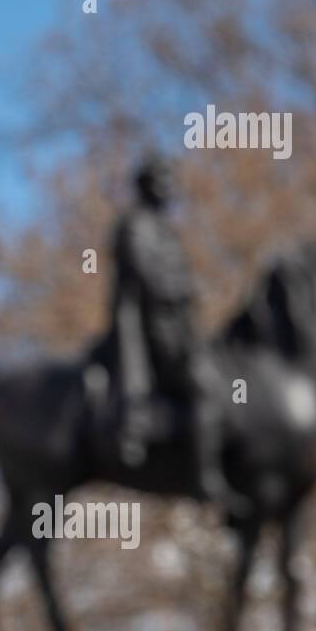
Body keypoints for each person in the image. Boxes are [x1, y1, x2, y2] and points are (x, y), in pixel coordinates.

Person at [109, 155, 250, 516]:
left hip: (177, 327)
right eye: (163, 180)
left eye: (171, 180)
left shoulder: (162, 228)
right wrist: (184, 289)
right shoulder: (135, 226)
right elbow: (150, 279)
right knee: (204, 385)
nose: (170, 188)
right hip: (150, 329)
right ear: (148, 185)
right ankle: (204, 476)